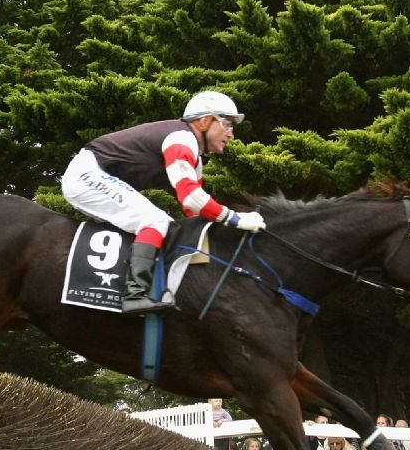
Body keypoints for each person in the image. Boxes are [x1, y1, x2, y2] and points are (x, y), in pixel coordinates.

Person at [60, 90, 265, 314]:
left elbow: (192, 210)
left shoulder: (193, 156)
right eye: (227, 124)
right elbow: (193, 199)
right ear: (204, 121)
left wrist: (223, 237)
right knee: (155, 221)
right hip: (87, 175)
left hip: (97, 174)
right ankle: (134, 295)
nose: (230, 134)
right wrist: (235, 219)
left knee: (164, 224)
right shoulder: (181, 139)